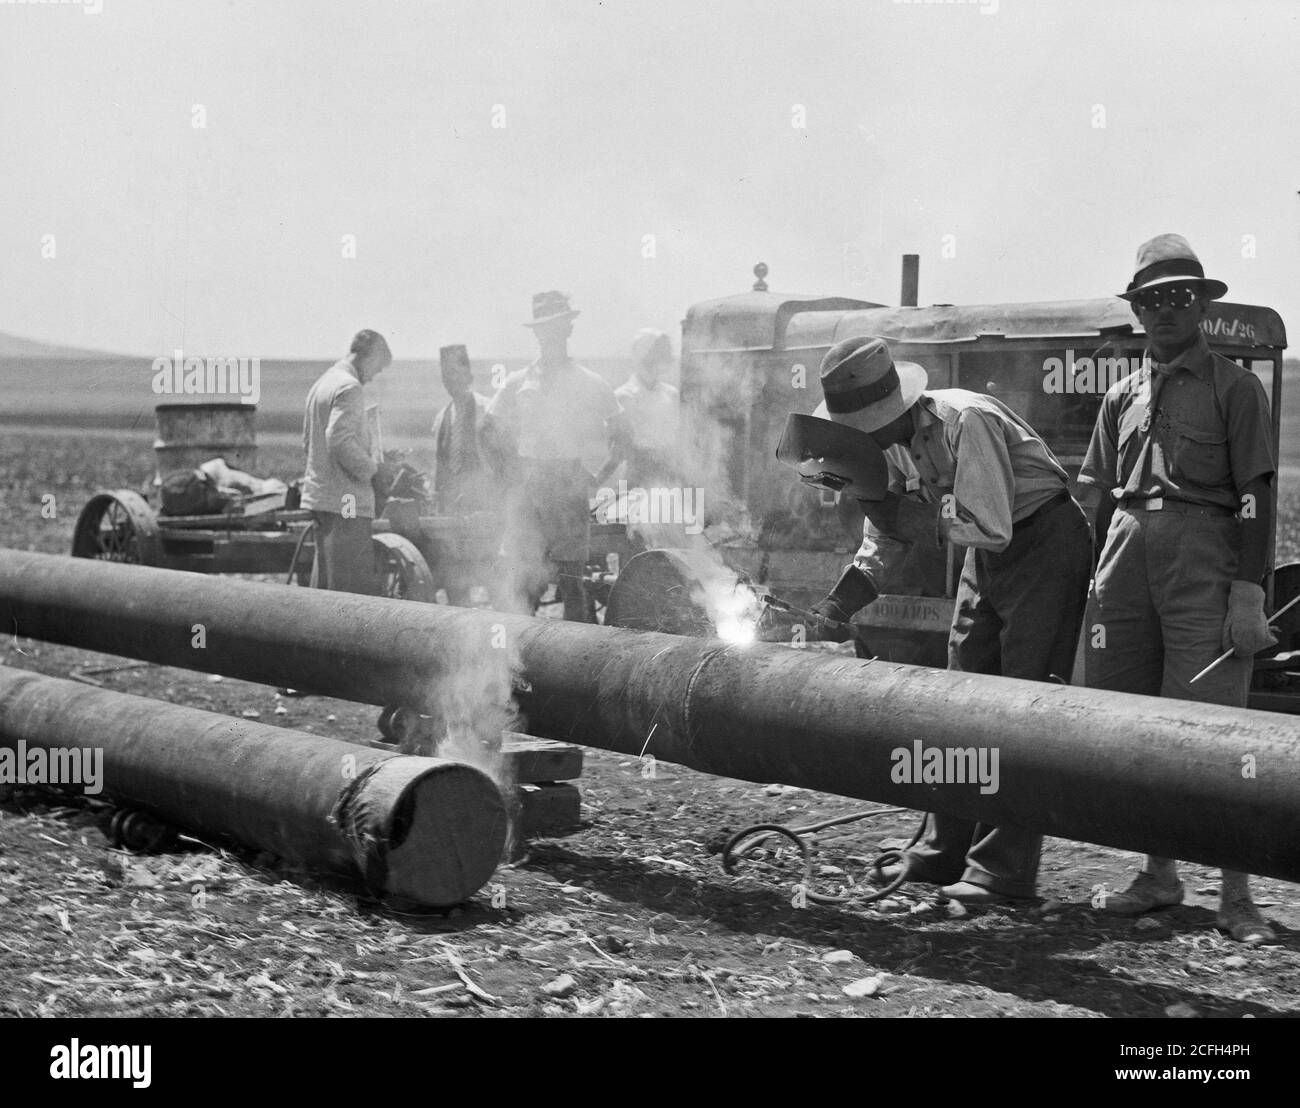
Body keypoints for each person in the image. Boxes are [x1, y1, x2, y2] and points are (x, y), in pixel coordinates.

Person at [806, 336, 1092, 903]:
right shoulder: (885, 446)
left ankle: (1001, 870)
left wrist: (913, 520)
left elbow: (990, 524)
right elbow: (888, 533)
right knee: (957, 697)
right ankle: (944, 849)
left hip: (1043, 543)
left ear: (895, 409)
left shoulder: (968, 420)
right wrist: (844, 599)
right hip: (986, 555)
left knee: (1021, 704)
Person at [1079, 234, 1278, 943]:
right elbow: (1099, 493)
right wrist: (1090, 579)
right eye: (1151, 300)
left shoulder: (1235, 388)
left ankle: (1238, 894)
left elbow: (1255, 494)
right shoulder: (1121, 395)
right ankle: (1159, 874)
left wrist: (1248, 590)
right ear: (1136, 311)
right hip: (1125, 555)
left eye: (1177, 297)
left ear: (1199, 305)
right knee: (1137, 723)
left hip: (1204, 552)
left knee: (1216, 730)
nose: (1165, 311)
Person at [485, 291, 627, 622]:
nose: (550, 334)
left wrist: (596, 476)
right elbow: (487, 428)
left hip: (569, 485)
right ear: (535, 333)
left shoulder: (589, 382)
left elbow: (623, 435)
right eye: (543, 328)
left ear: (569, 329)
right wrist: (507, 474)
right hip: (528, 485)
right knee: (523, 579)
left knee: (572, 582)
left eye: (558, 326)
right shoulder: (518, 382)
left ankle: (572, 662)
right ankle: (518, 663)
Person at [301, 329, 391, 595]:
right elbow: (339, 440)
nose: (374, 376)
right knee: (349, 592)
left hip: (323, 497)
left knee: (325, 585)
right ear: (371, 355)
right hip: (346, 502)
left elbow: (308, 441)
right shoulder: (349, 387)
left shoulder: (322, 384)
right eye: (378, 367)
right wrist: (373, 470)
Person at [430, 343, 497, 605]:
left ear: (469, 376)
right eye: (446, 376)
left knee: (489, 572)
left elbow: (500, 463)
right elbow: (441, 465)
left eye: (456, 375)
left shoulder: (486, 410)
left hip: (483, 507)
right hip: (451, 510)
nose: (450, 382)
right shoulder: (442, 416)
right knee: (455, 577)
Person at [615, 328, 680, 488]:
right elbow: (622, 447)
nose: (664, 361)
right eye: (659, 355)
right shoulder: (624, 396)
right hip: (638, 474)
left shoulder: (671, 394)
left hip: (668, 473)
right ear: (646, 358)